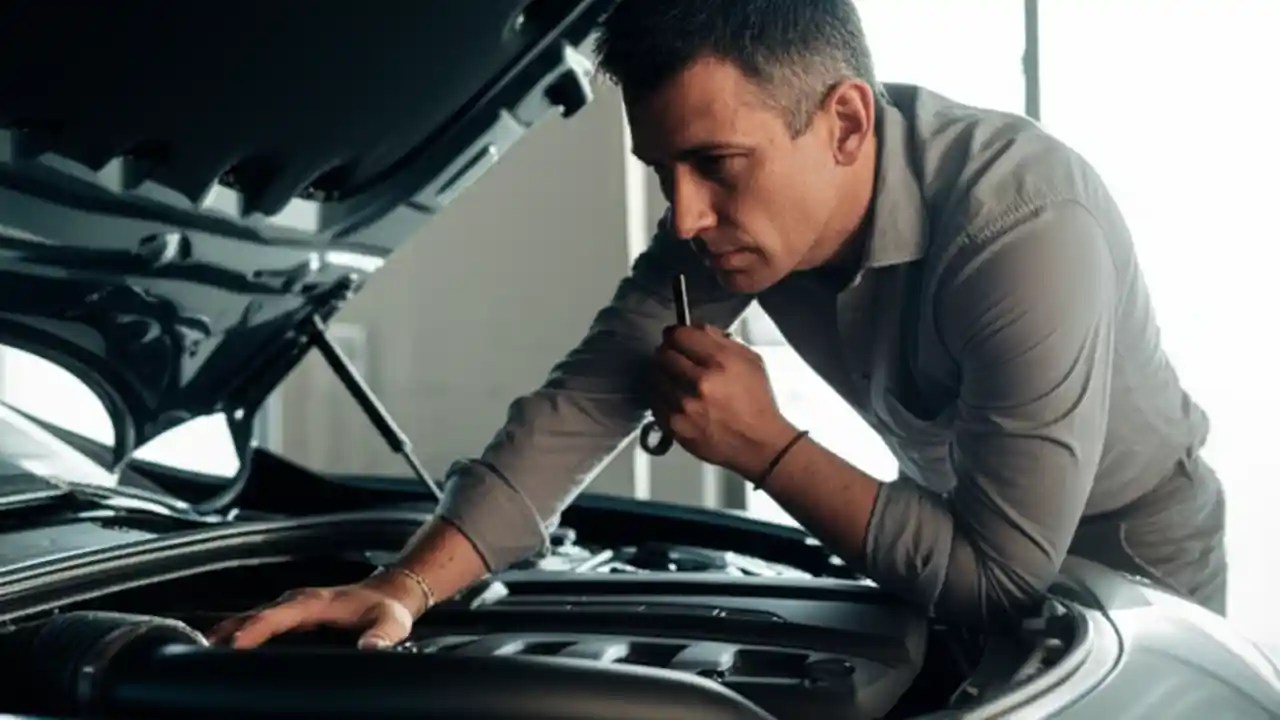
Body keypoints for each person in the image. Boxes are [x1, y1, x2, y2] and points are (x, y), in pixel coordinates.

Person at [208, 0, 1227, 650]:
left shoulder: (1020, 230)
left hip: (1134, 554)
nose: (683, 216)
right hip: (950, 526)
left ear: (843, 123)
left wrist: (767, 449)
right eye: (661, 169)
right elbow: (587, 396)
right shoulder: (728, 230)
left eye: (715, 166)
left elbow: (1000, 579)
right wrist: (405, 589)